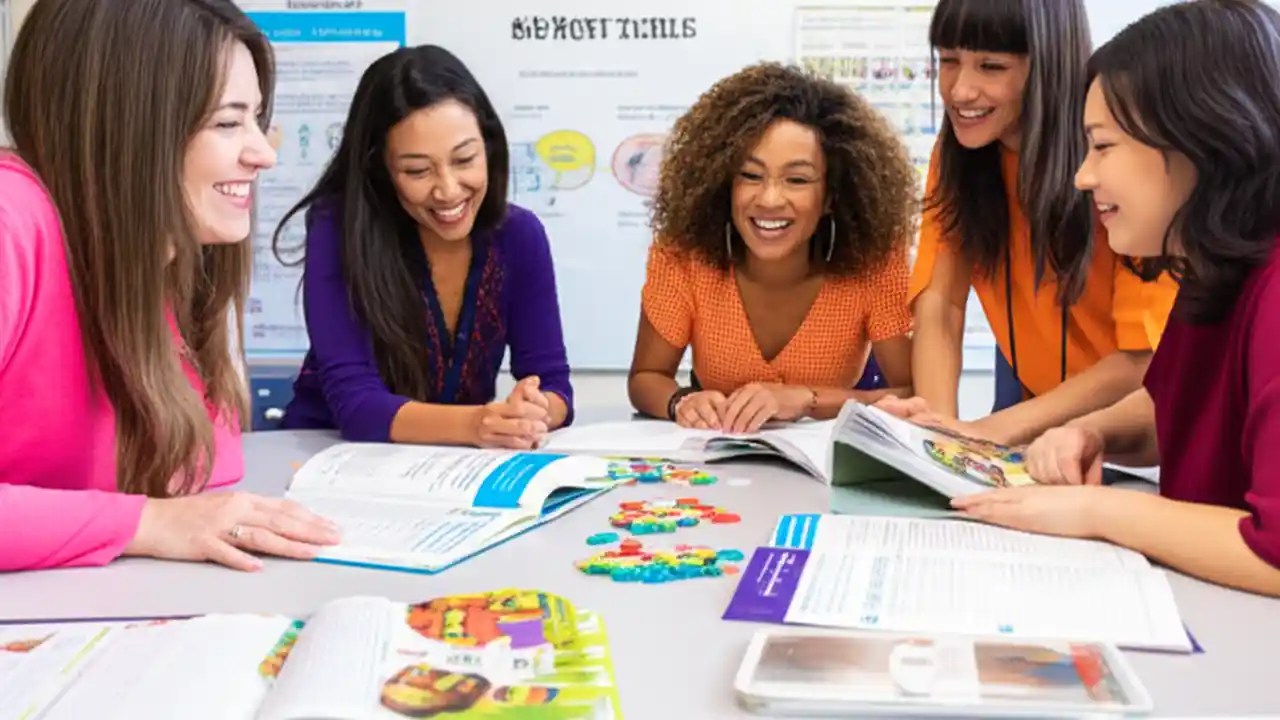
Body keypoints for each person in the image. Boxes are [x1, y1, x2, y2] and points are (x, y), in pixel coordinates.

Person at [0, 0, 339, 572]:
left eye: (258, 119)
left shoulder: (153, 252)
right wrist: (145, 522)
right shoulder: (13, 220)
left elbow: (204, 467)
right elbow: (168, 506)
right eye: (228, 123)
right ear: (126, 126)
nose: (263, 154)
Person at [958, 0, 1280, 597]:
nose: (1083, 176)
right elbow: (1176, 407)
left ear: (1200, 141)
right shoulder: (1212, 270)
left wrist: (1096, 513)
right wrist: (1095, 432)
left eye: (1102, 147)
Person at [889, 0, 1179, 446]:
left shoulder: (1116, 162)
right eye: (948, 60)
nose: (960, 90)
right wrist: (939, 438)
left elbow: (1143, 357)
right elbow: (941, 307)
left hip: (1133, 436)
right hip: (1032, 433)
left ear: (1048, 65)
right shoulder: (957, 161)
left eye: (991, 66)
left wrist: (985, 432)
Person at [275, 45, 573, 450]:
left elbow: (554, 384)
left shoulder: (520, 235)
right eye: (417, 170)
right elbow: (357, 405)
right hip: (324, 453)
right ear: (380, 168)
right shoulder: (337, 228)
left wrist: (534, 411)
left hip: (449, 467)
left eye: (465, 159)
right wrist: (477, 424)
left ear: (489, 147)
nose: (449, 190)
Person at [628, 62, 919, 434]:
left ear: (831, 196)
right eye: (750, 175)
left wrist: (805, 399)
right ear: (723, 182)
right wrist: (681, 401)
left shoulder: (875, 261)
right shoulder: (683, 253)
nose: (769, 198)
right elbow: (646, 377)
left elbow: (912, 395)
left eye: (797, 179)